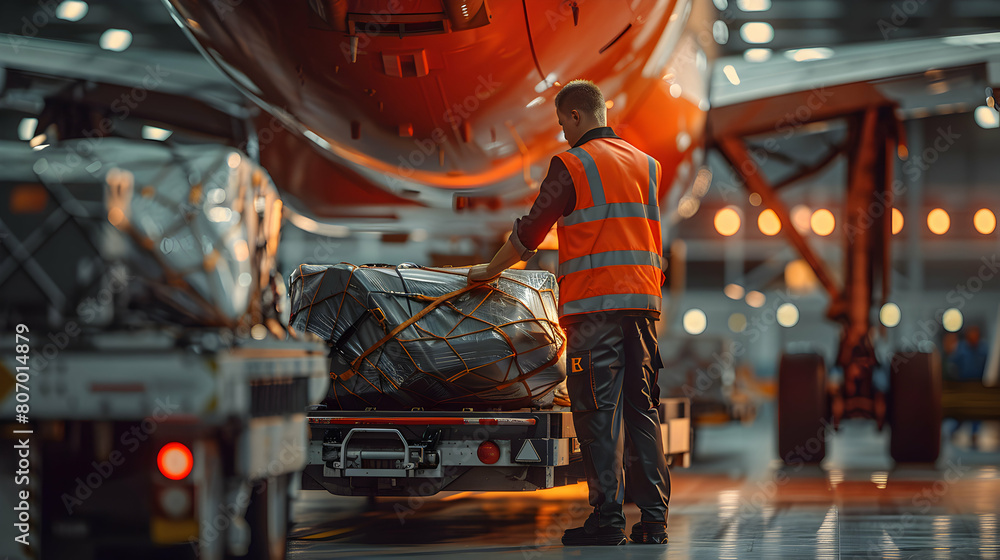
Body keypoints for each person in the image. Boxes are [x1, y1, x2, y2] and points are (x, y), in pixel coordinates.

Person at [468, 80, 670, 546]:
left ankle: (608, 520)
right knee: (642, 412)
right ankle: (654, 522)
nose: (562, 134)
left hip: (595, 311)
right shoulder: (649, 165)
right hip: (642, 309)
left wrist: (489, 270)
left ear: (577, 116)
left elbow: (530, 233)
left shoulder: (571, 164)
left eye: (562, 124)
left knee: (597, 413)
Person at [948, 325, 988, 448]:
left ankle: (975, 434)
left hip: (979, 385)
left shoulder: (984, 349)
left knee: (977, 412)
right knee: (961, 412)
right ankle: (952, 431)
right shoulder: (961, 348)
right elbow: (952, 364)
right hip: (964, 385)